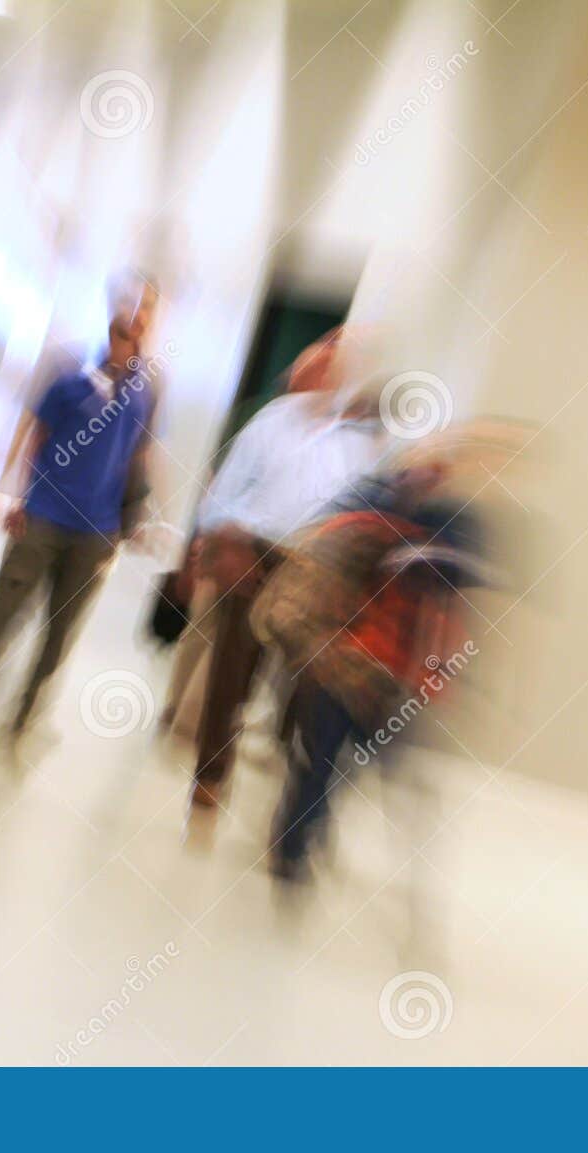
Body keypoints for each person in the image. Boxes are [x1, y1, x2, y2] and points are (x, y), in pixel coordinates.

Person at [250, 426, 509, 884]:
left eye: (436, 474)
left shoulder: (443, 535)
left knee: (343, 767)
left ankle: (303, 840)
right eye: (420, 472)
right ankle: (292, 849)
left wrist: (440, 679)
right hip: (341, 665)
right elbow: (312, 581)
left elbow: (451, 605)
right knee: (320, 763)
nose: (427, 480)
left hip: (387, 677)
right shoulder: (364, 516)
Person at [184, 332, 386, 832]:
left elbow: (364, 515)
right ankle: (210, 778)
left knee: (309, 689)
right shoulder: (270, 424)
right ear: (298, 377)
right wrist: (220, 541)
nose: (320, 378)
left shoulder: (357, 444)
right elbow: (226, 488)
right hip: (256, 553)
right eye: (312, 370)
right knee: (232, 674)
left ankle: (292, 795)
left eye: (331, 371)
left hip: (316, 571)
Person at [0, 288, 159, 742]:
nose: (126, 344)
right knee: (10, 603)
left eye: (135, 337)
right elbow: (33, 433)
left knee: (62, 628)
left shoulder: (141, 398)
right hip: (44, 516)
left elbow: (140, 456)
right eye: (120, 334)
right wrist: (14, 497)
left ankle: (27, 709)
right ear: (109, 337)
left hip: (96, 530)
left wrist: (137, 520)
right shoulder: (69, 382)